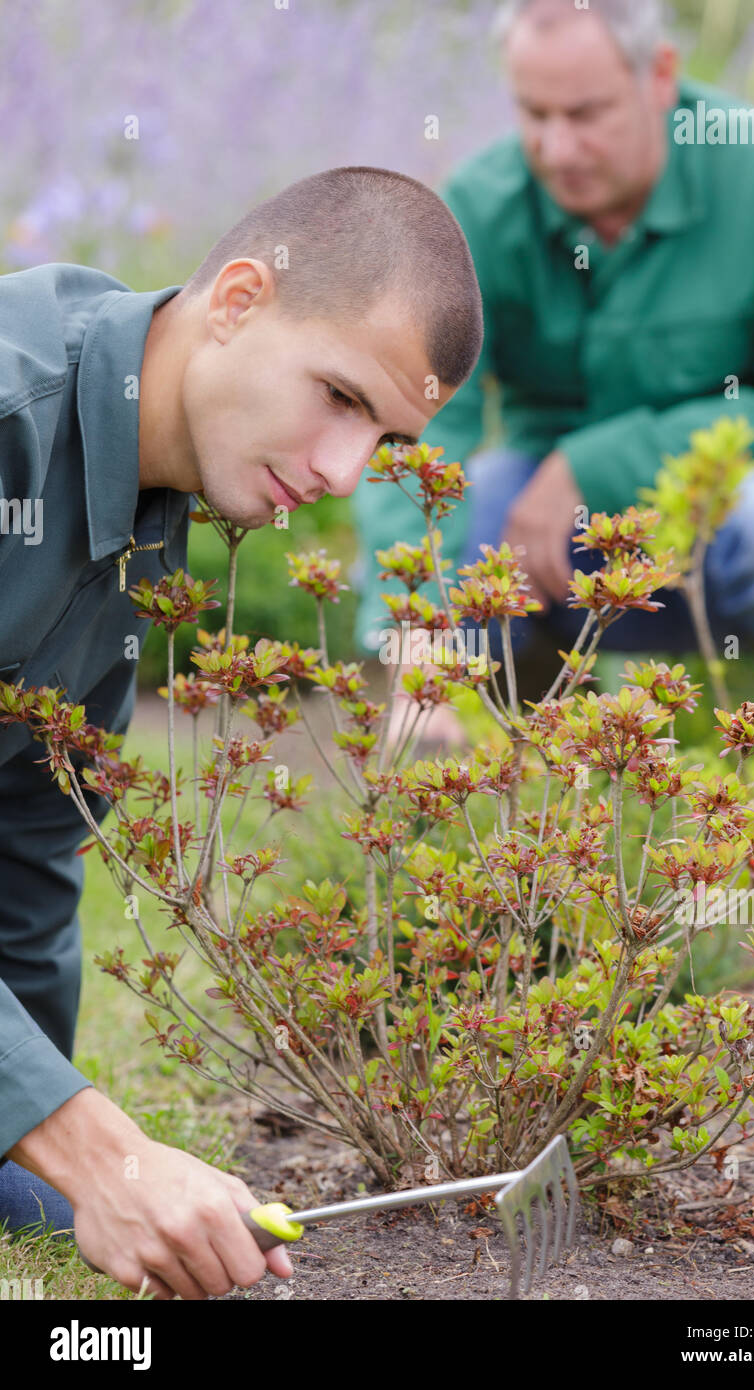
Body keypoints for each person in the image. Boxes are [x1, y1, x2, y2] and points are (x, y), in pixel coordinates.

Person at [0, 166, 483, 1298]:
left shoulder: (152, 493)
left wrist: (74, 1155)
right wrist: (99, 1152)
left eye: (384, 443)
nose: (336, 473)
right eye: (339, 396)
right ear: (236, 300)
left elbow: (26, 830)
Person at [352, 0, 754, 736]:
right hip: (555, 547)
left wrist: (596, 464)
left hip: (732, 524)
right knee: (475, 509)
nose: (556, 149)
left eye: (587, 114)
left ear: (658, 76)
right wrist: (415, 632)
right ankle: (510, 757)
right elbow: (421, 427)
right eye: (534, 113)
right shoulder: (481, 205)